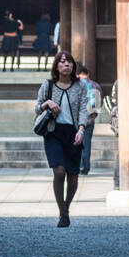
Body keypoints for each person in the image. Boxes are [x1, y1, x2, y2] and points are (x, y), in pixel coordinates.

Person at [35, 50, 90, 228]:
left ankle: (66, 207)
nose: (66, 64)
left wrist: (81, 129)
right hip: (53, 133)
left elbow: (84, 108)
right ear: (56, 66)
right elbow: (37, 108)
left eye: (69, 62)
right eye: (62, 62)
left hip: (73, 133)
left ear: (73, 66)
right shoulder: (48, 85)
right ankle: (62, 212)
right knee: (59, 172)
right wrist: (47, 103)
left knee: (73, 177)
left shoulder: (80, 85)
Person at [77, 64, 102, 176]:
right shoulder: (95, 86)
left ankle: (78, 166)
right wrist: (92, 117)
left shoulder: (76, 85)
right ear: (88, 74)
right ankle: (85, 167)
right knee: (86, 144)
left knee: (76, 143)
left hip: (77, 120)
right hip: (89, 120)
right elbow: (97, 105)